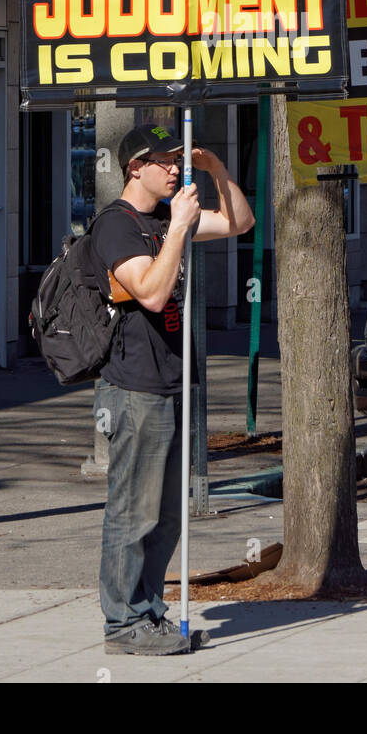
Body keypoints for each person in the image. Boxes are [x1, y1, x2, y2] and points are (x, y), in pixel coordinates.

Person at [91, 123, 255, 656]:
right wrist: (181, 227)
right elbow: (155, 294)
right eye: (162, 161)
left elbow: (239, 221)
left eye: (176, 160)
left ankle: (149, 611)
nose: (172, 169)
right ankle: (121, 623)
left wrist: (216, 171)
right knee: (132, 511)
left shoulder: (168, 218)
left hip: (173, 381)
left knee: (166, 515)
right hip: (135, 388)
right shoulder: (116, 226)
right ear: (134, 167)